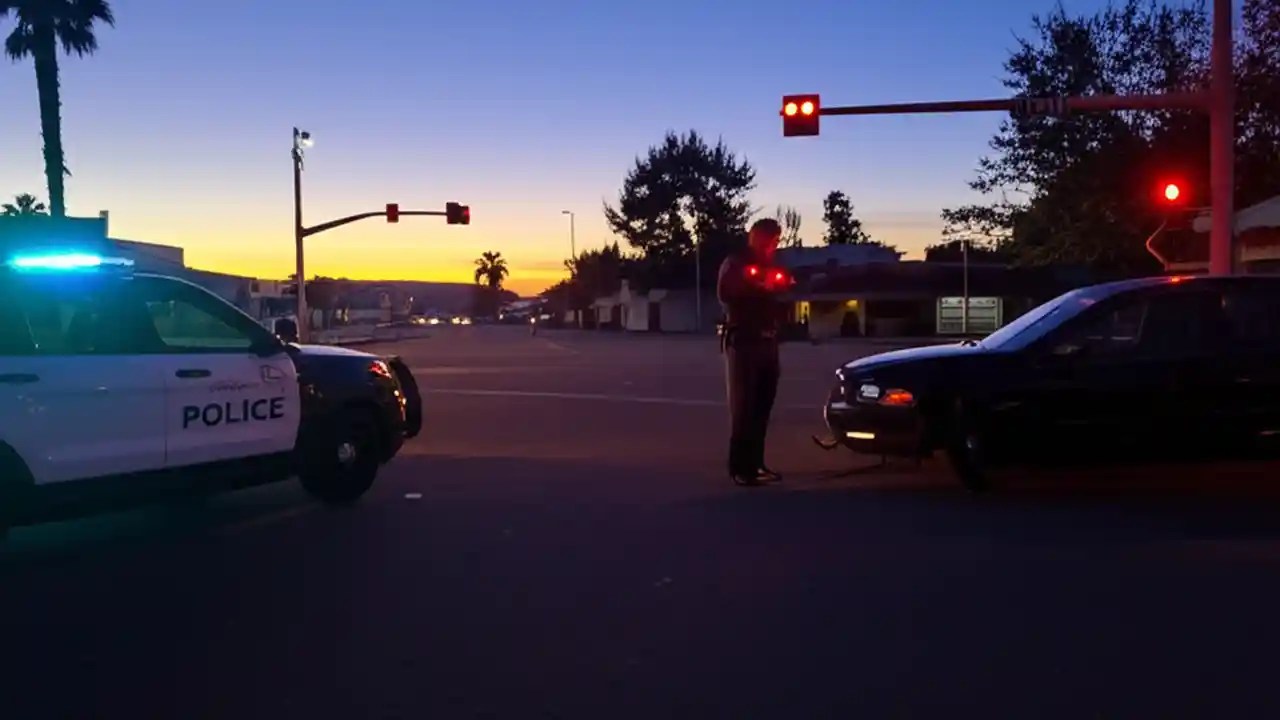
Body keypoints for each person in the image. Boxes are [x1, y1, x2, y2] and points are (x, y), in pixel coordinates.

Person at [717, 218, 792, 487]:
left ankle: (756, 463)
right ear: (754, 237)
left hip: (768, 342)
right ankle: (740, 468)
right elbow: (726, 293)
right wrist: (756, 286)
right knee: (744, 407)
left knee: (762, 407)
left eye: (775, 240)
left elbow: (785, 292)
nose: (772, 245)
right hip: (745, 342)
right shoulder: (736, 262)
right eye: (768, 239)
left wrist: (778, 287)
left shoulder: (772, 265)